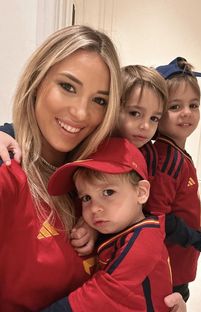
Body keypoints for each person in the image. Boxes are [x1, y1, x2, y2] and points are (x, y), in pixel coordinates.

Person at [0, 24, 122, 311]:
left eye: (99, 100)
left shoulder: (100, 176)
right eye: (68, 87)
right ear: (37, 80)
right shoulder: (7, 170)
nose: (81, 113)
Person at [41, 137, 175, 312]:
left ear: (141, 193)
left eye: (108, 192)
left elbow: (101, 295)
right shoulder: (122, 226)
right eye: (86, 198)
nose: (95, 208)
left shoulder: (144, 240)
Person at [146, 57, 201, 300]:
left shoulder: (175, 153)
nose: (187, 113)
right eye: (175, 107)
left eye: (194, 105)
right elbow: (159, 219)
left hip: (177, 267)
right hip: (168, 272)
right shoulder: (167, 161)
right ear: (158, 113)